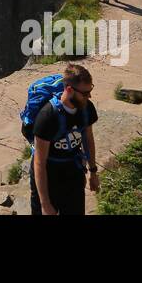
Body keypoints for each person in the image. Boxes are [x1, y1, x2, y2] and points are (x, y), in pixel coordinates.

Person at [29, 64, 98, 216]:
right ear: (69, 90)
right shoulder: (47, 116)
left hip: (72, 170)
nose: (89, 96)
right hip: (49, 174)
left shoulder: (87, 109)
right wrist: (45, 204)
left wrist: (93, 172)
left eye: (90, 91)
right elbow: (39, 162)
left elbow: (88, 139)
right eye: (85, 93)